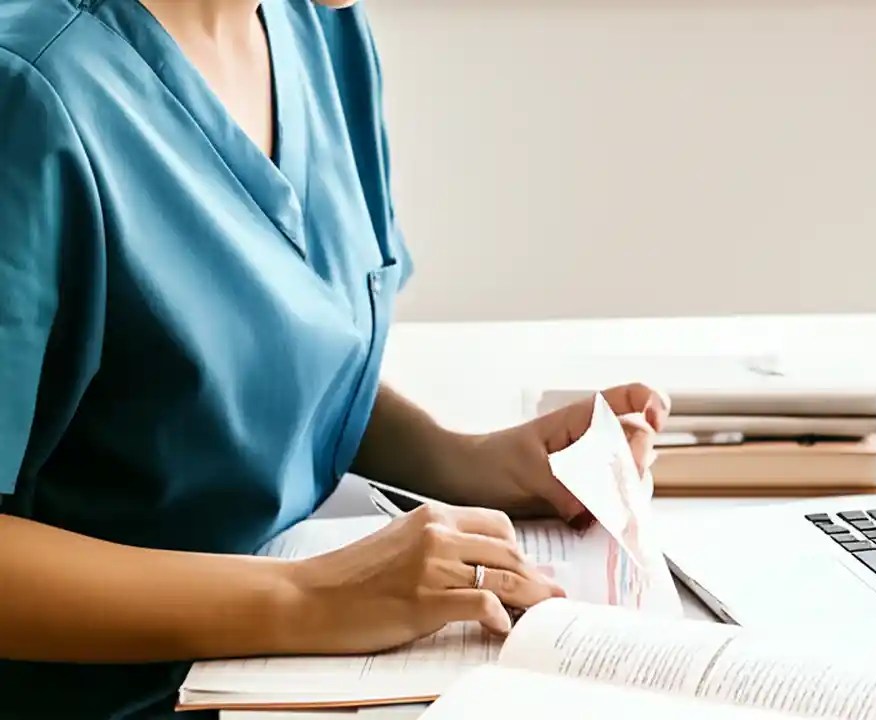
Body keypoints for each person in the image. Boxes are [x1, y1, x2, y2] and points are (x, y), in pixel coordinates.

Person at [0, 0, 670, 716]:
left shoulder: (319, 28)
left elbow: (273, 353)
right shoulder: (29, 93)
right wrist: (310, 597)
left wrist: (462, 463)